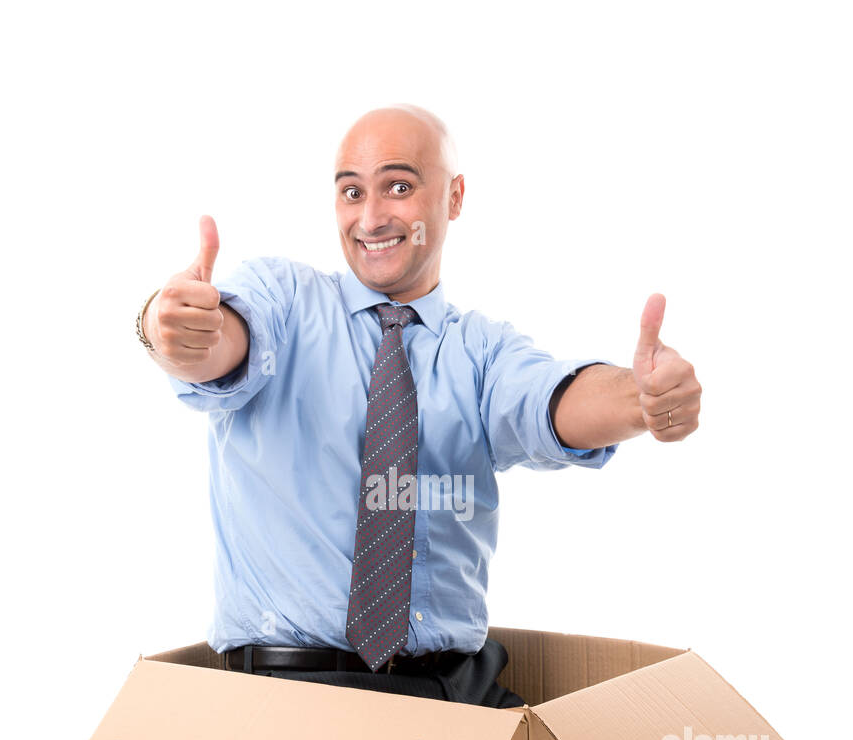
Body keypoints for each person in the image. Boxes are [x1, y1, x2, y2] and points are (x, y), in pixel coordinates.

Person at [137, 105, 701, 706]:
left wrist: (639, 400)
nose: (372, 217)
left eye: (398, 187)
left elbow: (551, 401)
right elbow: (220, 342)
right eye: (351, 192)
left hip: (454, 694)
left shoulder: (480, 350)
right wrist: (168, 328)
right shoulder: (285, 301)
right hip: (292, 694)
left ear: (454, 198)